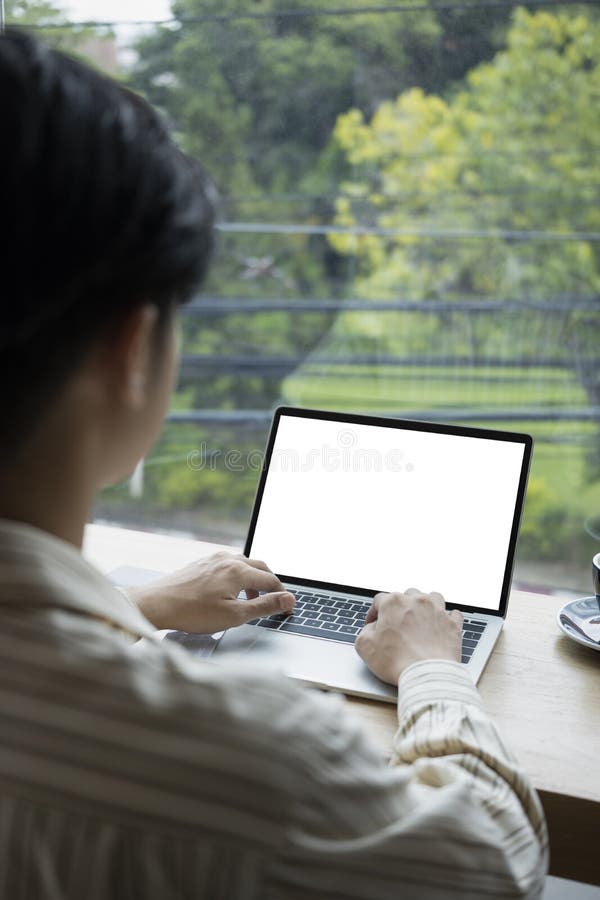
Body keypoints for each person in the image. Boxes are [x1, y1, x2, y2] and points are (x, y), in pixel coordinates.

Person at [0, 29, 548, 899]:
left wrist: (132, 603)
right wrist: (434, 668)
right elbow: (495, 865)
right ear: (132, 347)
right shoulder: (243, 758)